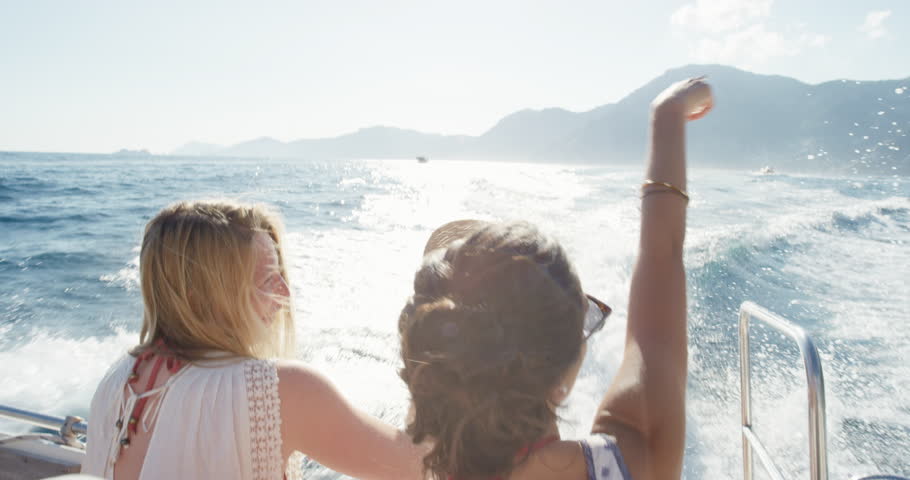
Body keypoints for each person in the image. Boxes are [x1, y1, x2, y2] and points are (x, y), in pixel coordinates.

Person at [397, 77, 713, 480]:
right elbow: (661, 267)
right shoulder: (629, 462)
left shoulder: (418, 467)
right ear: (560, 381)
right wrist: (667, 117)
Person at [82, 200, 424, 480]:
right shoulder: (278, 388)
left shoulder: (120, 377)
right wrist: (428, 346)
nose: (285, 294)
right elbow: (423, 469)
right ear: (201, 297)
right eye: (267, 279)